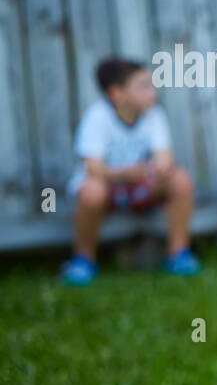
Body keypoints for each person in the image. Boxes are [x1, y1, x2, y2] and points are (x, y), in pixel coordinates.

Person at [60, 57, 201, 285]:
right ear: (117, 93)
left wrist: (163, 165)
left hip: (142, 187)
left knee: (180, 180)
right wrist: (126, 174)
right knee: (92, 190)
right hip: (107, 189)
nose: (152, 92)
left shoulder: (154, 115)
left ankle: (179, 255)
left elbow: (164, 154)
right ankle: (83, 260)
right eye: (144, 86)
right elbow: (92, 167)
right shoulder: (97, 117)